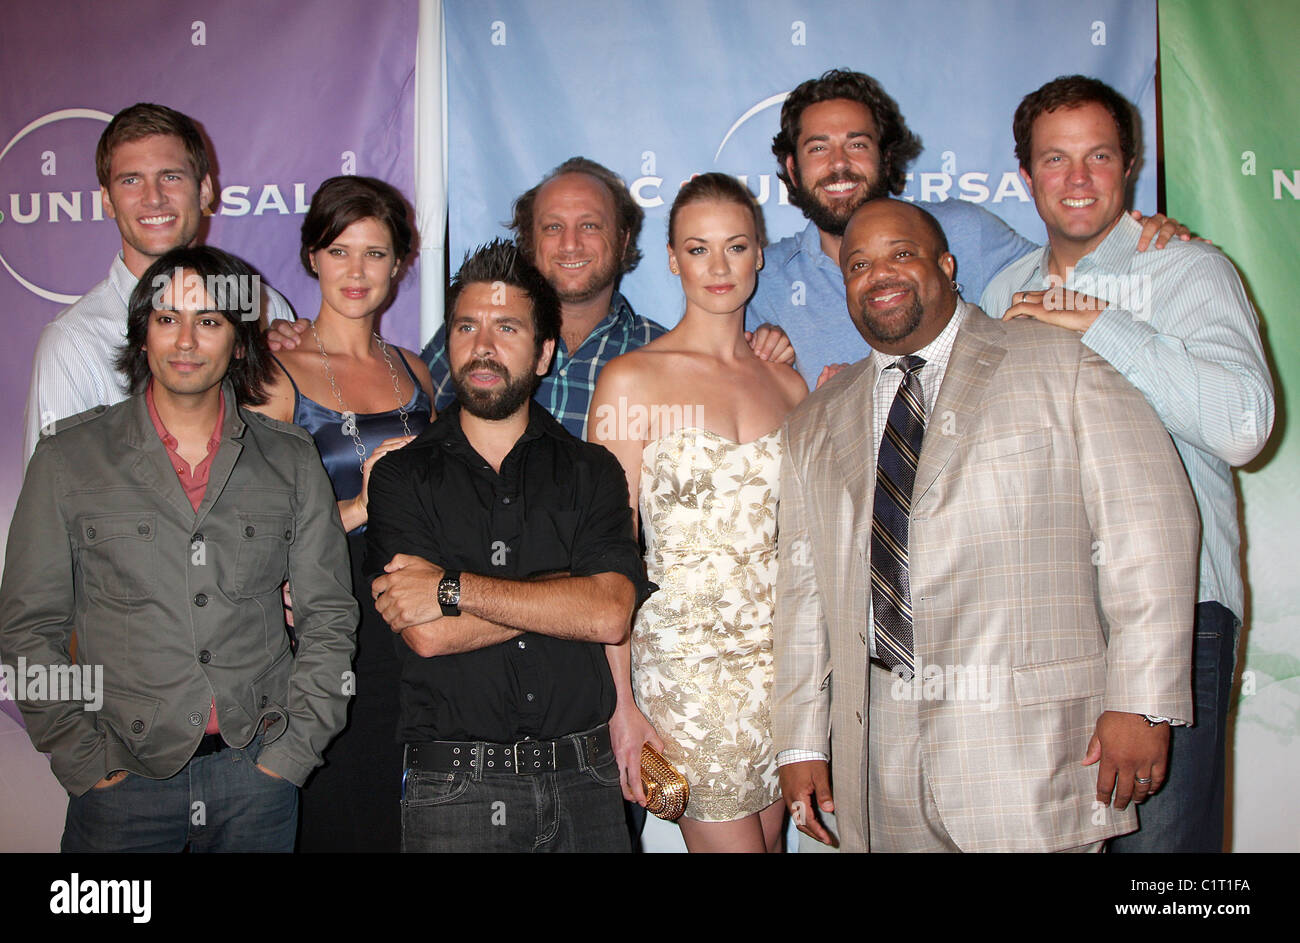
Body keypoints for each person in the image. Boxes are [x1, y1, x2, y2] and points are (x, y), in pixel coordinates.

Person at [774, 197, 1200, 852]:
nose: (879, 274)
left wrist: (1142, 701)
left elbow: (1149, 529)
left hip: (1031, 755)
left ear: (946, 265)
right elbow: (802, 593)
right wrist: (801, 738)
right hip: (877, 767)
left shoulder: (1061, 364)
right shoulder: (816, 418)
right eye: (858, 264)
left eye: (902, 253)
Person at [981, 75, 1274, 853]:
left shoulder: (1185, 271)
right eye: (1056, 159)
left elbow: (1244, 426)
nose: (1077, 179)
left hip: (1178, 615)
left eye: (1099, 156)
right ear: (1026, 176)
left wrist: (1100, 323)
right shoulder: (1003, 289)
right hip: (1045, 626)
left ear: (1130, 165)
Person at [0, 246, 356, 852]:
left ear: (240, 342)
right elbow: (29, 630)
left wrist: (292, 754)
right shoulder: (67, 458)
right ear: (141, 337)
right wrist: (87, 763)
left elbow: (330, 618)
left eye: (210, 321)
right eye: (167, 319)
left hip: (257, 781)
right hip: (122, 787)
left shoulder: (291, 459)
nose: (186, 340)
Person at [363, 239, 651, 853]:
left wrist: (453, 588)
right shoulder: (399, 475)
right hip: (455, 788)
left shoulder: (594, 471)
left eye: (508, 327)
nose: (484, 346)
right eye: (467, 326)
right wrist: (567, 591)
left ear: (544, 352)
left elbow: (609, 614)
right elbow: (428, 634)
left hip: (588, 779)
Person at [589, 174, 807, 853]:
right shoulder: (632, 379)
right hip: (678, 677)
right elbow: (605, 553)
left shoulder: (787, 381)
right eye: (699, 248)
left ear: (760, 254)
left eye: (736, 246)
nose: (719, 267)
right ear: (673, 258)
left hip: (780, 673)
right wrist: (619, 706)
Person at [746, 68, 1189, 390]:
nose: (839, 164)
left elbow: (1070, 276)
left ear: (885, 157)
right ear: (792, 166)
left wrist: (1127, 235)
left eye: (857, 144)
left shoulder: (961, 230)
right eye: (819, 147)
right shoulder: (763, 280)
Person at [248, 175, 435, 852]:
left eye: (376, 253)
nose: (357, 271)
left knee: (398, 798)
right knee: (335, 796)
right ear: (311, 257)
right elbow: (253, 523)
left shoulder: (416, 370)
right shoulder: (275, 371)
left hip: (412, 610)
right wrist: (358, 505)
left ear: (399, 263)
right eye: (339, 249)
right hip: (324, 606)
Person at [22, 102, 293, 464]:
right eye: (131, 180)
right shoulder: (73, 341)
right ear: (107, 199)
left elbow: (292, 458)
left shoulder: (263, 306)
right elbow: (49, 504)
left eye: (171, 176)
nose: (153, 197)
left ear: (205, 189)